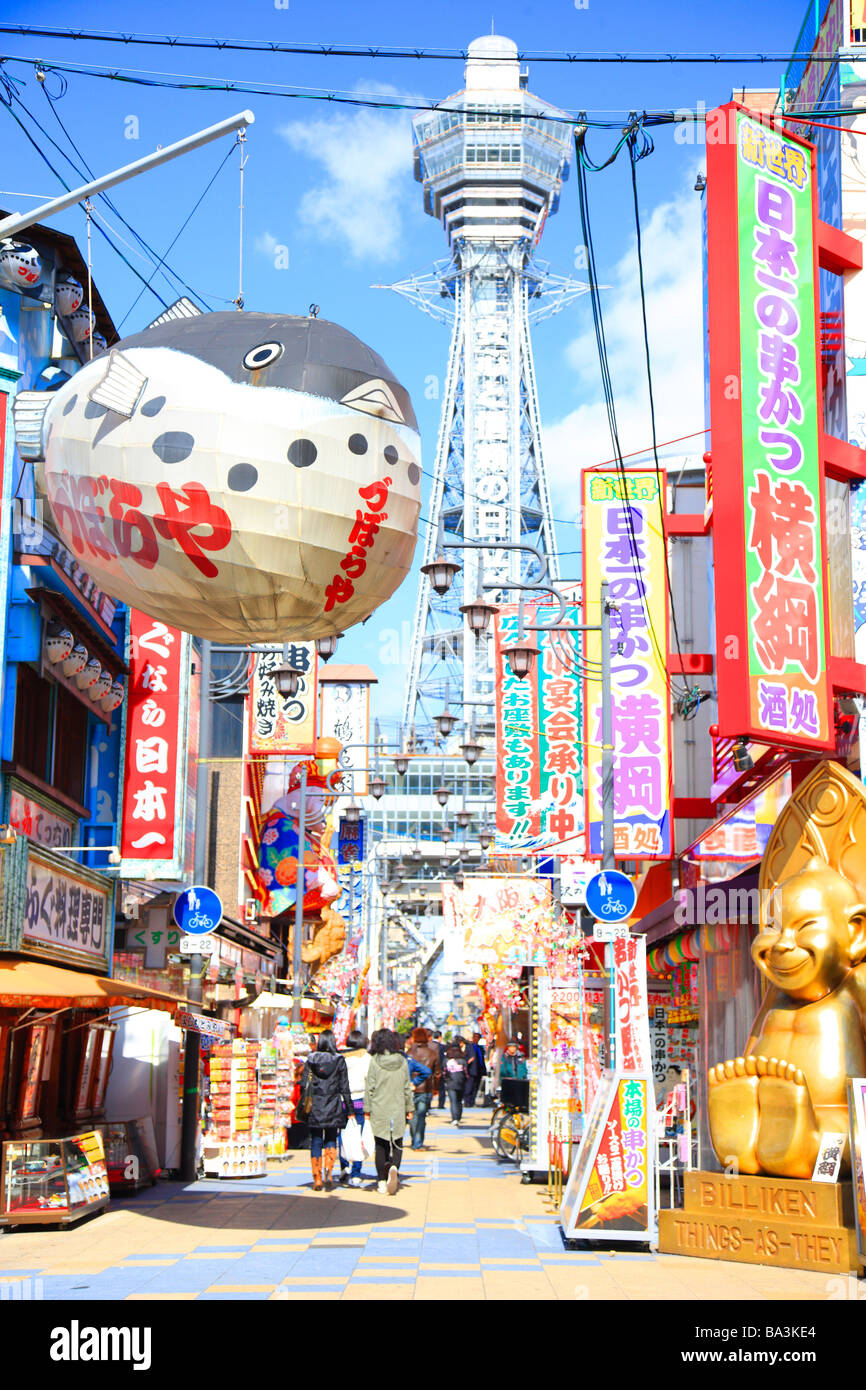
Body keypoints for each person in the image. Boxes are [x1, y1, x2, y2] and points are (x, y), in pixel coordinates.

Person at [301, 1030, 352, 1192]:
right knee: (331, 1138)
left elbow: (303, 1084)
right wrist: (350, 1108)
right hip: (333, 1104)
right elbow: (344, 1087)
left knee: (316, 1140)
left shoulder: (310, 1060)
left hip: (315, 1105)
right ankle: (329, 1173)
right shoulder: (339, 1060)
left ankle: (316, 1178)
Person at [364, 1028, 413, 1195]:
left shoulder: (375, 1061)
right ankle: (394, 1167)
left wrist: (367, 1109)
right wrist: (409, 1108)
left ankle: (381, 1181)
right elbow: (407, 1087)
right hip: (398, 1106)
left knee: (381, 1144)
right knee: (397, 1142)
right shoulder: (402, 1060)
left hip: (379, 1107)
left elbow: (370, 1087)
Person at [339, 1029, 371, 1187]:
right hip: (360, 1100)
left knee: (343, 1133)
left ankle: (344, 1165)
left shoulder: (341, 1057)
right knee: (359, 1135)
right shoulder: (366, 1058)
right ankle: (356, 1172)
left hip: (343, 1101)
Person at [405, 1026, 441, 1150]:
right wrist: (436, 1088)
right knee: (421, 1116)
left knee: (412, 1116)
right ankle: (418, 1142)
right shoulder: (433, 1053)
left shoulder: (409, 1052)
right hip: (425, 1088)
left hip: (410, 1089)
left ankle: (414, 1139)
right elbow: (437, 1073)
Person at [444, 1036, 469, 1126]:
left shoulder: (447, 1060)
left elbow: (444, 1071)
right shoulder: (462, 1060)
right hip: (461, 1082)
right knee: (459, 1100)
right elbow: (466, 1072)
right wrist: (465, 1080)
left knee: (453, 1101)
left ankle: (454, 1118)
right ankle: (458, 1117)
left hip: (450, 1082)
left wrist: (445, 1080)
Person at [464, 1032, 487, 1107]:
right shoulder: (469, 1046)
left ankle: (472, 1101)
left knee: (476, 1087)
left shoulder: (480, 1048)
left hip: (479, 1070)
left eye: (478, 1037)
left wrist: (483, 1070)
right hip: (471, 1070)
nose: (476, 1039)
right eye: (475, 1037)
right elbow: (465, 1057)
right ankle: (467, 1101)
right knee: (469, 1086)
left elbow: (482, 1059)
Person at [431, 1029, 447, 1110]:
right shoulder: (441, 1047)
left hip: (430, 1069)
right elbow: (443, 1059)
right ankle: (441, 1104)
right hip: (439, 1069)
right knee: (441, 1088)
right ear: (440, 1037)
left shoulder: (429, 1045)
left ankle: (428, 1104)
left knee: (430, 1087)